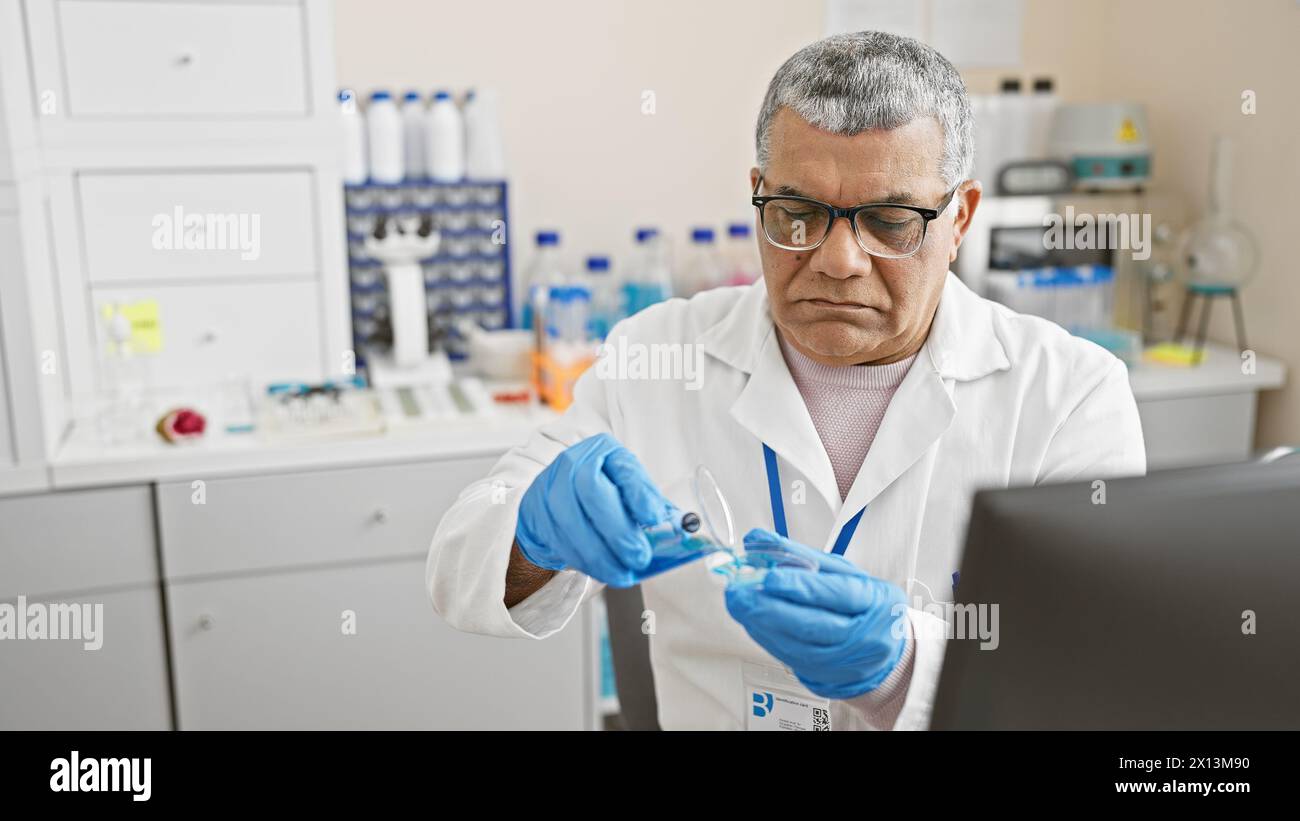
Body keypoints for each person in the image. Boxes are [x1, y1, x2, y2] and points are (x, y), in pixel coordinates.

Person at [426, 31, 1145, 730]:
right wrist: (532, 533)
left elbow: (1100, 679)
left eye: (890, 221)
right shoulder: (658, 352)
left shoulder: (1069, 394)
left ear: (960, 217)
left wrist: (905, 667)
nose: (838, 260)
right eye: (798, 215)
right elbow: (460, 562)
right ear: (758, 194)